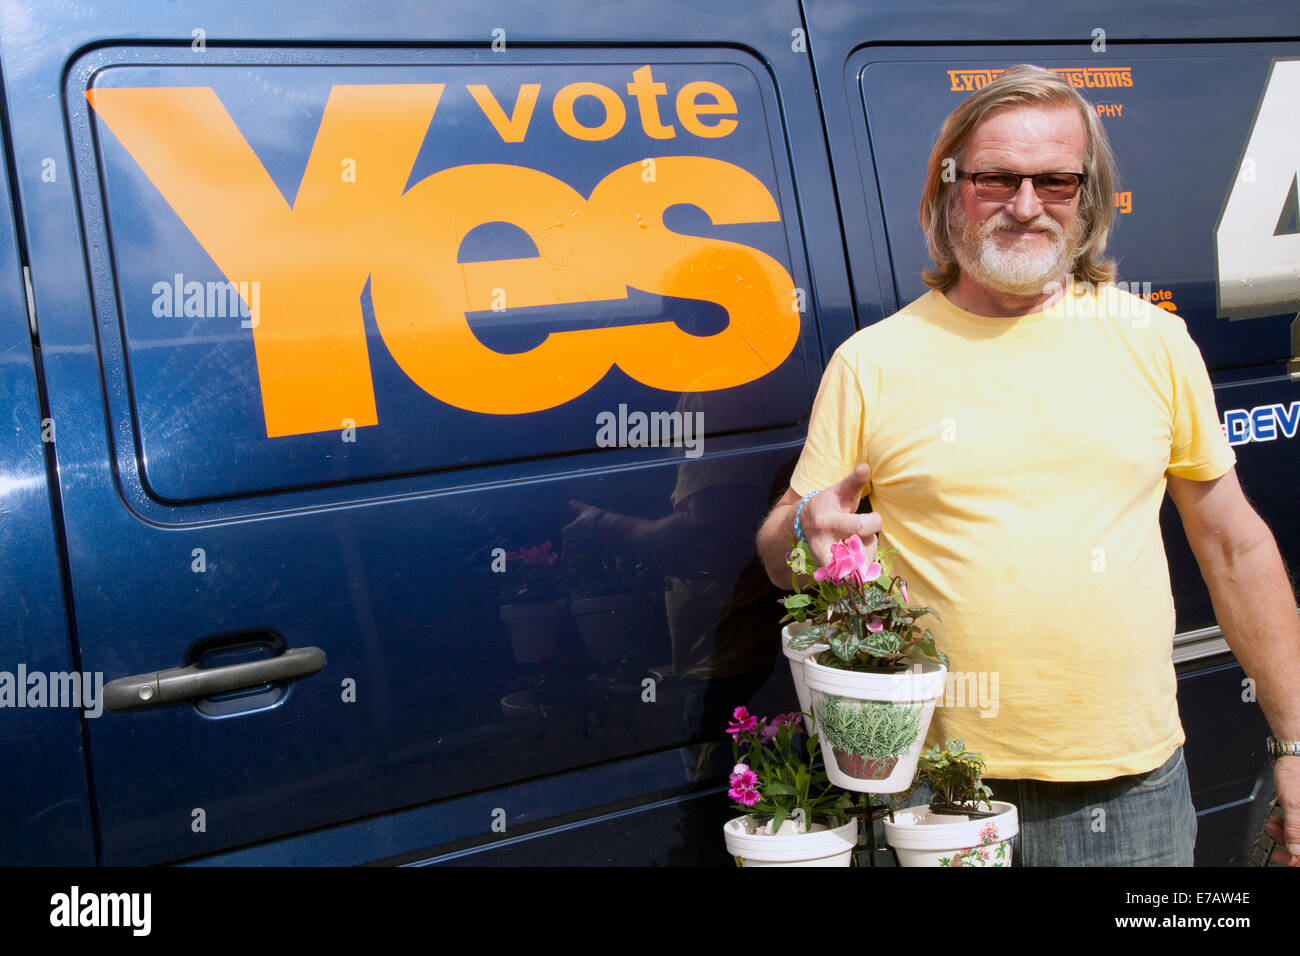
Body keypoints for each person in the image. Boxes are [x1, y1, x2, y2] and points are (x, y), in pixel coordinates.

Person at [756, 64, 1300, 866]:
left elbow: (1233, 545)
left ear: (1090, 197)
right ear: (950, 194)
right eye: (995, 179)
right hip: (933, 796)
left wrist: (1293, 745)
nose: (1024, 204)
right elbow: (780, 550)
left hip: (1133, 787)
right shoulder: (873, 362)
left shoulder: (1154, 342)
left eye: (1054, 180)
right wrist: (806, 529)